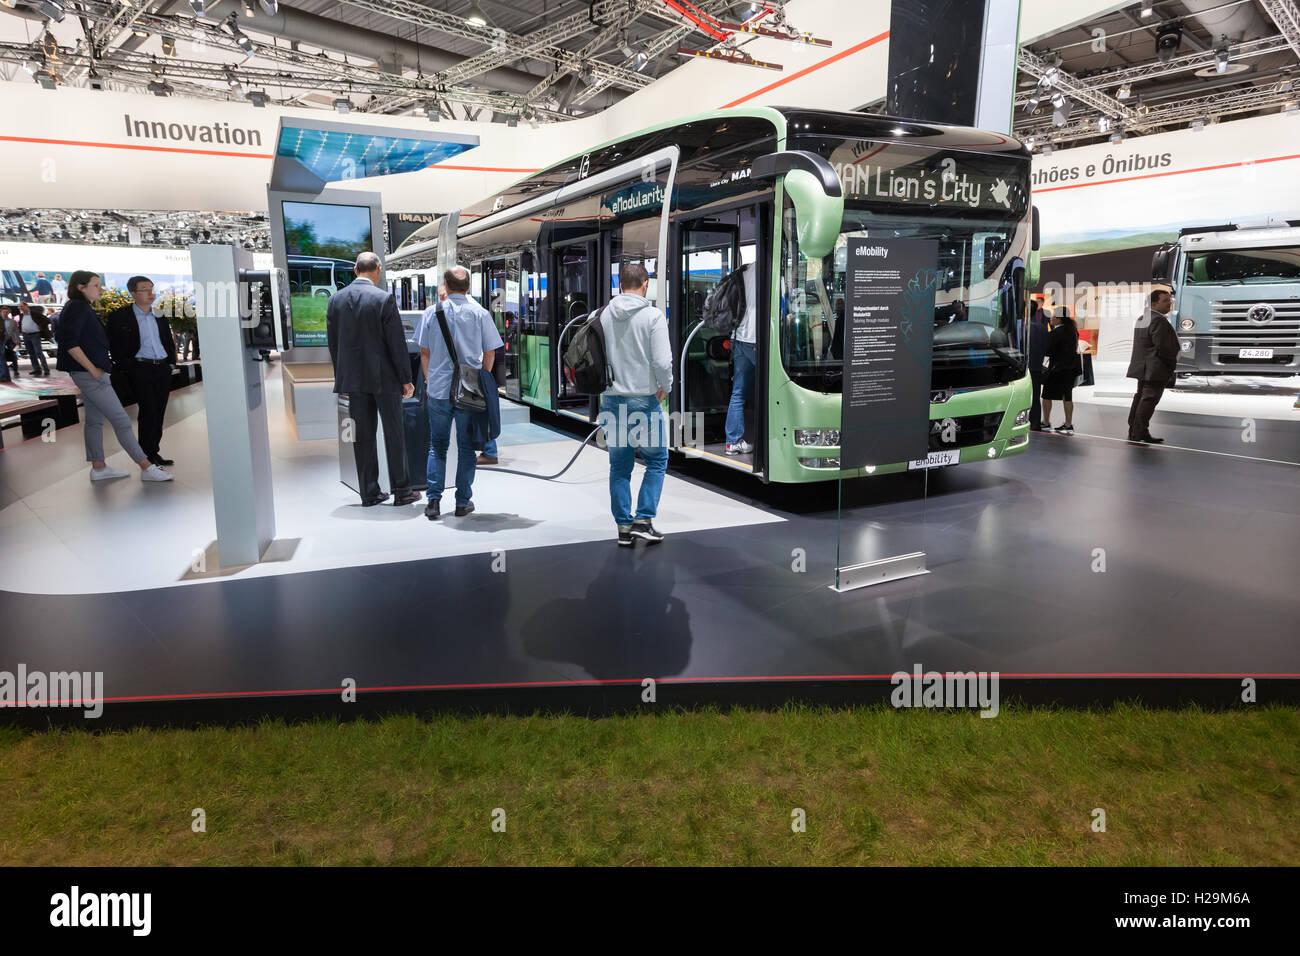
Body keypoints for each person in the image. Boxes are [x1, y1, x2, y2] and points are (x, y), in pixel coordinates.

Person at [55, 271, 173, 482]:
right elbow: (68, 342)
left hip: (92, 373)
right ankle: (146, 467)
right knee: (121, 421)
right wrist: (92, 369)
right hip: (90, 375)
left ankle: (99, 467)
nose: (101, 288)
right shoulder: (78, 307)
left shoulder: (82, 308)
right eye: (95, 285)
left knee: (94, 421)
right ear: (81, 287)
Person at [326, 252, 418, 508]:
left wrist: (341, 378)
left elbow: (334, 345)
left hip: (354, 381)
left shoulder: (335, 300)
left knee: (362, 437)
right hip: (385, 380)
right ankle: (402, 491)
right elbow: (397, 345)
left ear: (356, 270)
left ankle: (369, 493)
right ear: (378, 269)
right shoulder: (383, 299)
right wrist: (406, 379)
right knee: (394, 434)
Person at [597, 262, 673, 546]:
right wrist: (666, 388)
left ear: (619, 284)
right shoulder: (653, 316)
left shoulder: (602, 316)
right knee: (656, 460)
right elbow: (662, 361)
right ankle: (643, 519)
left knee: (619, 467)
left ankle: (624, 529)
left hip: (612, 400)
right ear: (645, 284)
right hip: (644, 400)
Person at [418, 266, 500, 520]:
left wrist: (430, 382)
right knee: (466, 448)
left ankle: (433, 502)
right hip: (469, 392)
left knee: (438, 446)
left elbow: (425, 353)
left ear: (446, 284)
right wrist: (479, 379)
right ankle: (463, 502)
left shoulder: (432, 313)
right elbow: (490, 353)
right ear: (468, 288)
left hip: (440, 391)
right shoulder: (480, 314)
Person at [107, 276, 178, 467]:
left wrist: (171, 363)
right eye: (144, 289)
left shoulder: (159, 314)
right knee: (148, 411)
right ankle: (146, 455)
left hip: (162, 368)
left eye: (151, 288)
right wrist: (127, 365)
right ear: (133, 293)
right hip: (140, 368)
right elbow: (114, 345)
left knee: (160, 411)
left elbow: (167, 341)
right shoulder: (121, 316)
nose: (150, 292)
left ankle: (153, 451)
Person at [1127, 287, 1180, 444]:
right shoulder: (1158, 320)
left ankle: (1134, 429)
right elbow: (1163, 347)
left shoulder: (1143, 318)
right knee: (1149, 399)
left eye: (1169, 301)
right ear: (1154, 303)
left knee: (1140, 397)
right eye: (1165, 301)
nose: (1169, 304)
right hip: (1156, 367)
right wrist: (1171, 364)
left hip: (1144, 367)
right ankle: (1140, 432)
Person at [725, 261, 757, 455]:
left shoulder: (744, 271)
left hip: (738, 338)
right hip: (757, 340)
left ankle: (732, 442)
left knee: (738, 393)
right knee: (772, 392)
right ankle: (771, 440)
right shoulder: (773, 270)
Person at [1042, 308, 1082, 435]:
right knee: (1067, 396)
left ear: (1059, 318)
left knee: (1046, 395)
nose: (1051, 318)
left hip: (1057, 369)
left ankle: (1046, 422)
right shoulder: (1073, 331)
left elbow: (1047, 350)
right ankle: (1068, 424)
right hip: (1071, 368)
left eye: (1053, 316)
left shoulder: (1056, 332)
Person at [1027, 304, 1049, 431]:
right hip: (1036, 367)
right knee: (1036, 397)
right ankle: (1035, 423)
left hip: (1022, 367)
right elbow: (1047, 349)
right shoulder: (1042, 327)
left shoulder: (1023, 327)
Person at [19, 302, 49, 376]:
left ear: (26, 306)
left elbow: (47, 320)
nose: (20, 308)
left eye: (21, 306)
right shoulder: (21, 315)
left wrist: (40, 326)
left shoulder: (35, 313)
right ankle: (37, 369)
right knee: (31, 353)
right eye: (19, 307)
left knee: (38, 352)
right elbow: (21, 324)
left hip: (35, 334)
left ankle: (46, 369)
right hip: (26, 335)